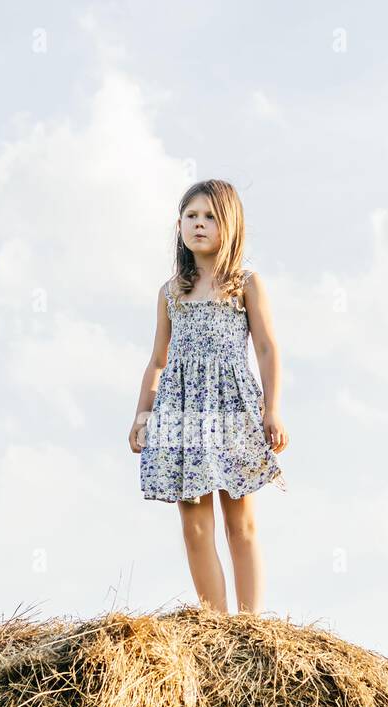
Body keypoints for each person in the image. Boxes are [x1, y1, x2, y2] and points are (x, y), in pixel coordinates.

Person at [129, 179, 289, 614]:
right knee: (195, 526)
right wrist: (142, 414)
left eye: (210, 216)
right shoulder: (170, 293)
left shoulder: (245, 284)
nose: (199, 224)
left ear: (229, 224)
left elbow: (267, 348)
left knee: (241, 520)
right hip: (181, 415)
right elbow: (158, 361)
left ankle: (251, 625)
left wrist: (271, 410)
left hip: (231, 409)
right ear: (179, 225)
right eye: (191, 216)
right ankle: (215, 626)